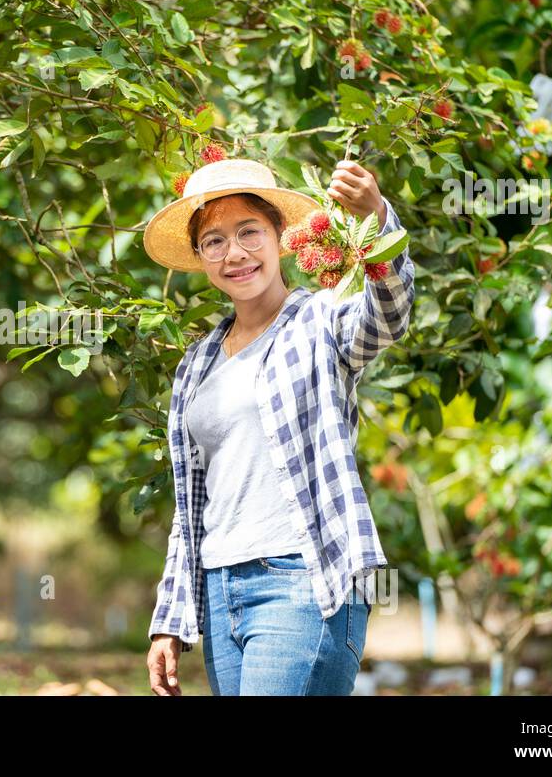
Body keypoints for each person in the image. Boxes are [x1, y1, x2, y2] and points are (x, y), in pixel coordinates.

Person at [141, 157, 415, 695]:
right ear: (200, 257)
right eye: (214, 241)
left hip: (303, 579)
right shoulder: (195, 364)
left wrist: (377, 219)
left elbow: (390, 314)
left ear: (281, 238)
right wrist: (170, 620)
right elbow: (191, 505)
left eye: (250, 232)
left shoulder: (320, 320)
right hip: (221, 593)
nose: (235, 253)